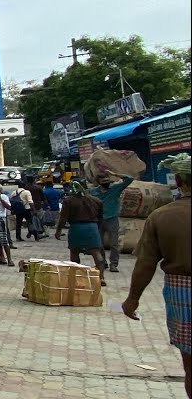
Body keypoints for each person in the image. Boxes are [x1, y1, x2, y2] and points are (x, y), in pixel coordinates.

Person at [122, 154, 191, 397]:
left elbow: (146, 263)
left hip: (183, 295)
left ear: (179, 180)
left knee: (190, 364)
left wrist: (132, 299)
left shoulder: (162, 216)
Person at [55, 181, 107, 285]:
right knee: (96, 252)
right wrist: (98, 229)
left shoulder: (68, 201)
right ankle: (101, 277)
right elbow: (101, 218)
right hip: (92, 227)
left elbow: (63, 218)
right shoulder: (96, 201)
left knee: (74, 252)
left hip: (76, 228)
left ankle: (75, 277)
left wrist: (58, 230)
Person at [90, 172, 135, 272]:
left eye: (107, 180)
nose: (106, 182)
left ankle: (113, 264)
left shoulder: (115, 188)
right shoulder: (93, 192)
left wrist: (114, 174)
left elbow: (130, 178)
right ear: (99, 182)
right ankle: (102, 262)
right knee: (99, 244)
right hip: (98, 220)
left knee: (114, 244)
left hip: (112, 219)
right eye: (103, 181)